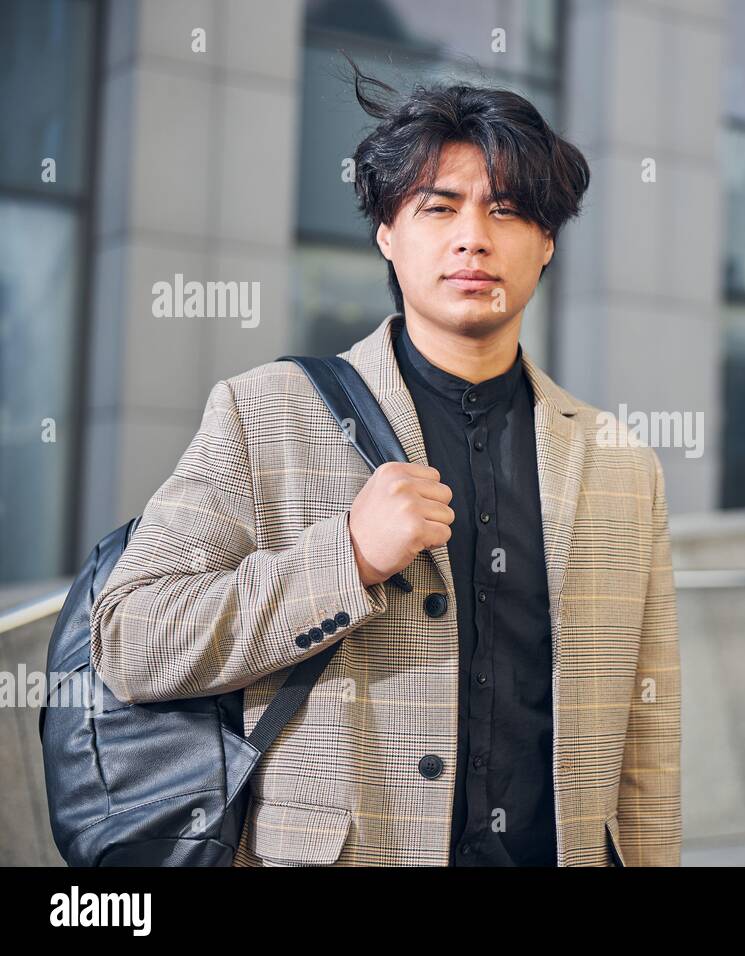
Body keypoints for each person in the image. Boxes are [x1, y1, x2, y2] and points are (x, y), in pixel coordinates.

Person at [89, 64, 681, 868]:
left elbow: (644, 743)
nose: (473, 237)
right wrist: (347, 559)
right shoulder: (266, 414)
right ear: (387, 234)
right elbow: (131, 638)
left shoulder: (620, 463)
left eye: (505, 213)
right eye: (439, 208)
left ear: (545, 243)